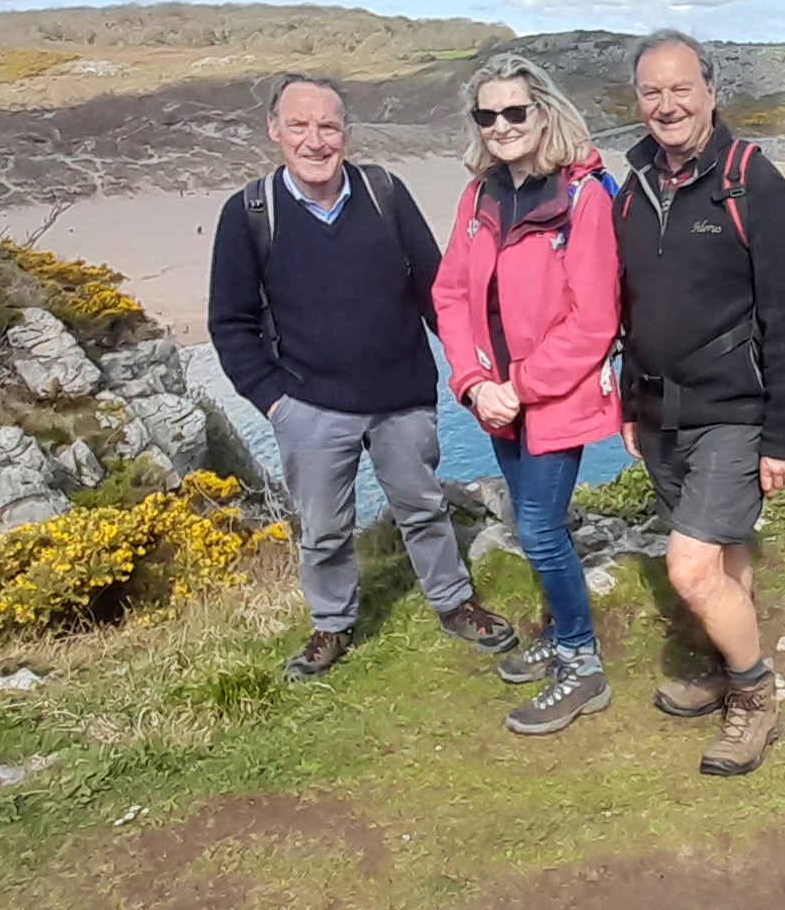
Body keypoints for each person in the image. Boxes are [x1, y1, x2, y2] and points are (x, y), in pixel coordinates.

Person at [208, 73, 519, 681]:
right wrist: (276, 403)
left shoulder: (383, 192)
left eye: (328, 126)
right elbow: (230, 323)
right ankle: (332, 624)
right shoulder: (249, 213)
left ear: (347, 134)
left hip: (402, 396)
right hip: (309, 405)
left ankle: (454, 603)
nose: (315, 140)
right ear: (275, 131)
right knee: (324, 530)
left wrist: (472, 371)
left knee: (425, 508)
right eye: (299, 125)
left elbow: (437, 291)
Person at [612, 29, 785, 777]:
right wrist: (626, 396)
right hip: (659, 412)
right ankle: (733, 661)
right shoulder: (632, 188)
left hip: (736, 412)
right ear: (637, 101)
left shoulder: (753, 185)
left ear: (709, 93)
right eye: (651, 91)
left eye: (680, 89)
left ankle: (755, 697)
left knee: (691, 568)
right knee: (726, 557)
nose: (666, 105)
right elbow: (629, 303)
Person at [431, 54, 623, 735]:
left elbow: (595, 318)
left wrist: (520, 387)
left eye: (516, 111)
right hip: (495, 398)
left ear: (544, 112)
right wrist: (474, 382)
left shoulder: (583, 198)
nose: (502, 126)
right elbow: (451, 292)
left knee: (540, 527)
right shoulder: (479, 196)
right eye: (487, 115)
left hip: (552, 397)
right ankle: (567, 636)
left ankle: (582, 662)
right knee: (531, 525)